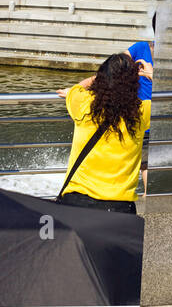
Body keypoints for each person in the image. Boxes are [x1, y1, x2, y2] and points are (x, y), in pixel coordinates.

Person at [55, 53, 151, 213]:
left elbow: (76, 88)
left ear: (102, 77)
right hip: (120, 207)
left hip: (77, 202)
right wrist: (149, 74)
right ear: (134, 83)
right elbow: (163, 101)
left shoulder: (84, 103)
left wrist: (106, 74)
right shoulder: (141, 112)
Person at [127, 16, 155, 195]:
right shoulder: (140, 48)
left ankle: (148, 193)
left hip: (159, 115)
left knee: (148, 160)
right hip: (140, 114)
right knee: (141, 158)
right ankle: (145, 193)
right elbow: (119, 63)